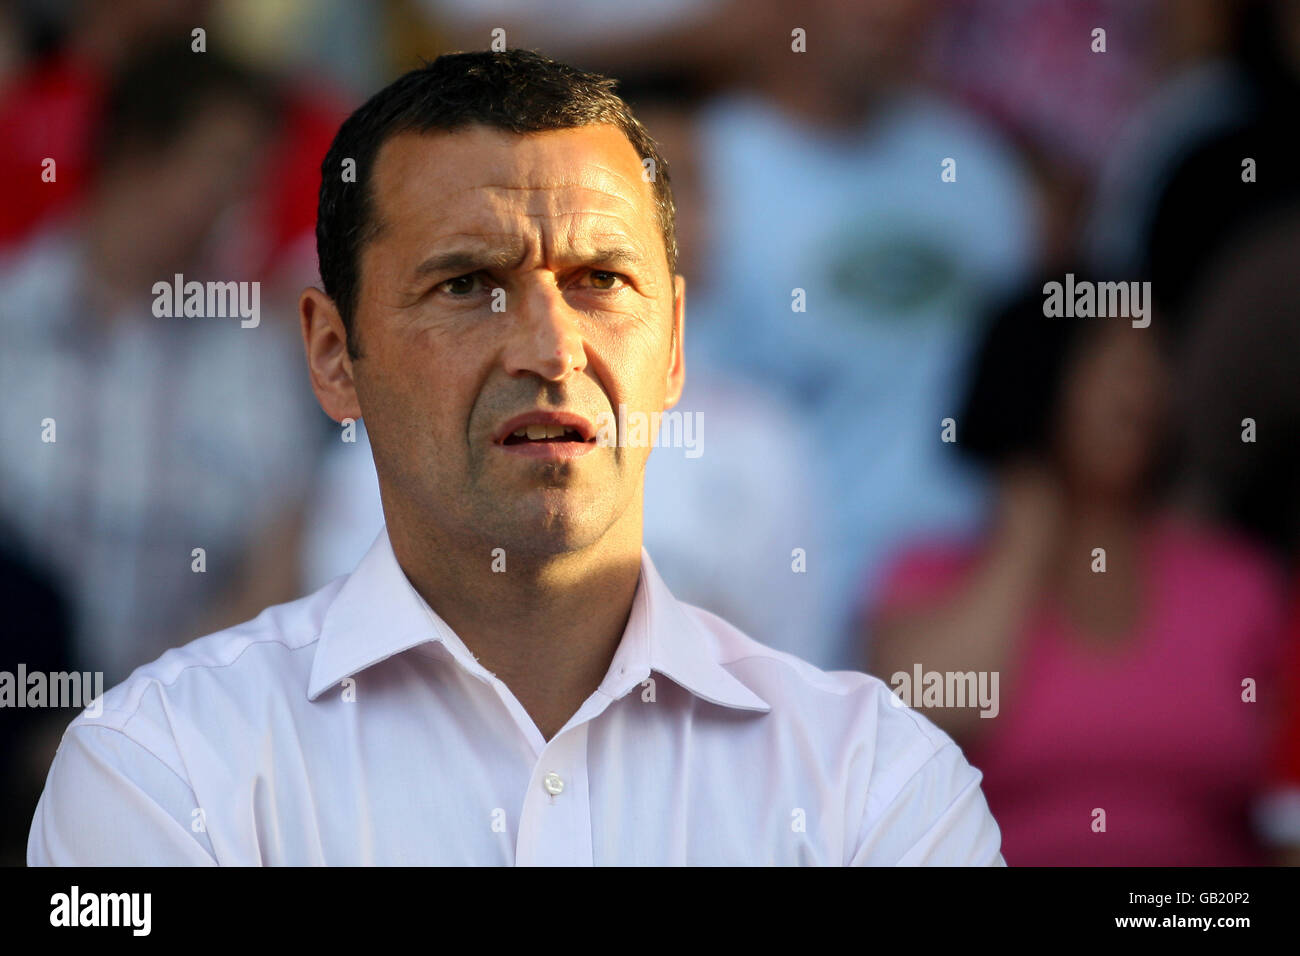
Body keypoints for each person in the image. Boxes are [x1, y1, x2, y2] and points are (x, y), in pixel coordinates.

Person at [29, 50, 1003, 866]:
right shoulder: (163, 768)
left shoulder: (878, 785)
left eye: (600, 280)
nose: (549, 346)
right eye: (468, 284)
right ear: (333, 356)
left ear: (671, 349)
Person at [865, 279, 1290, 865]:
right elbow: (933, 714)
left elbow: (1287, 813)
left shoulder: (1238, 587)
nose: (1138, 389)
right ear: (1032, 378)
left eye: (1150, 361)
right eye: (1108, 361)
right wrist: (1024, 538)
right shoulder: (926, 576)